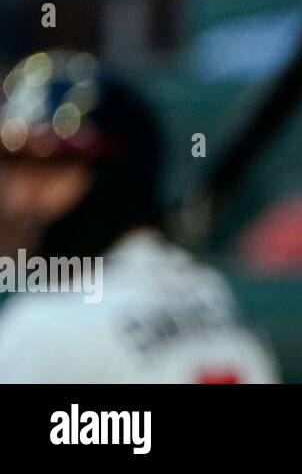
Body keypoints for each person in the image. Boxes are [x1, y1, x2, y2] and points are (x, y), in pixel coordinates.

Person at [0, 50, 279, 383]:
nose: (17, 198)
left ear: (117, 177)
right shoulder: (211, 291)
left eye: (50, 170)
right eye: (13, 167)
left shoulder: (41, 324)